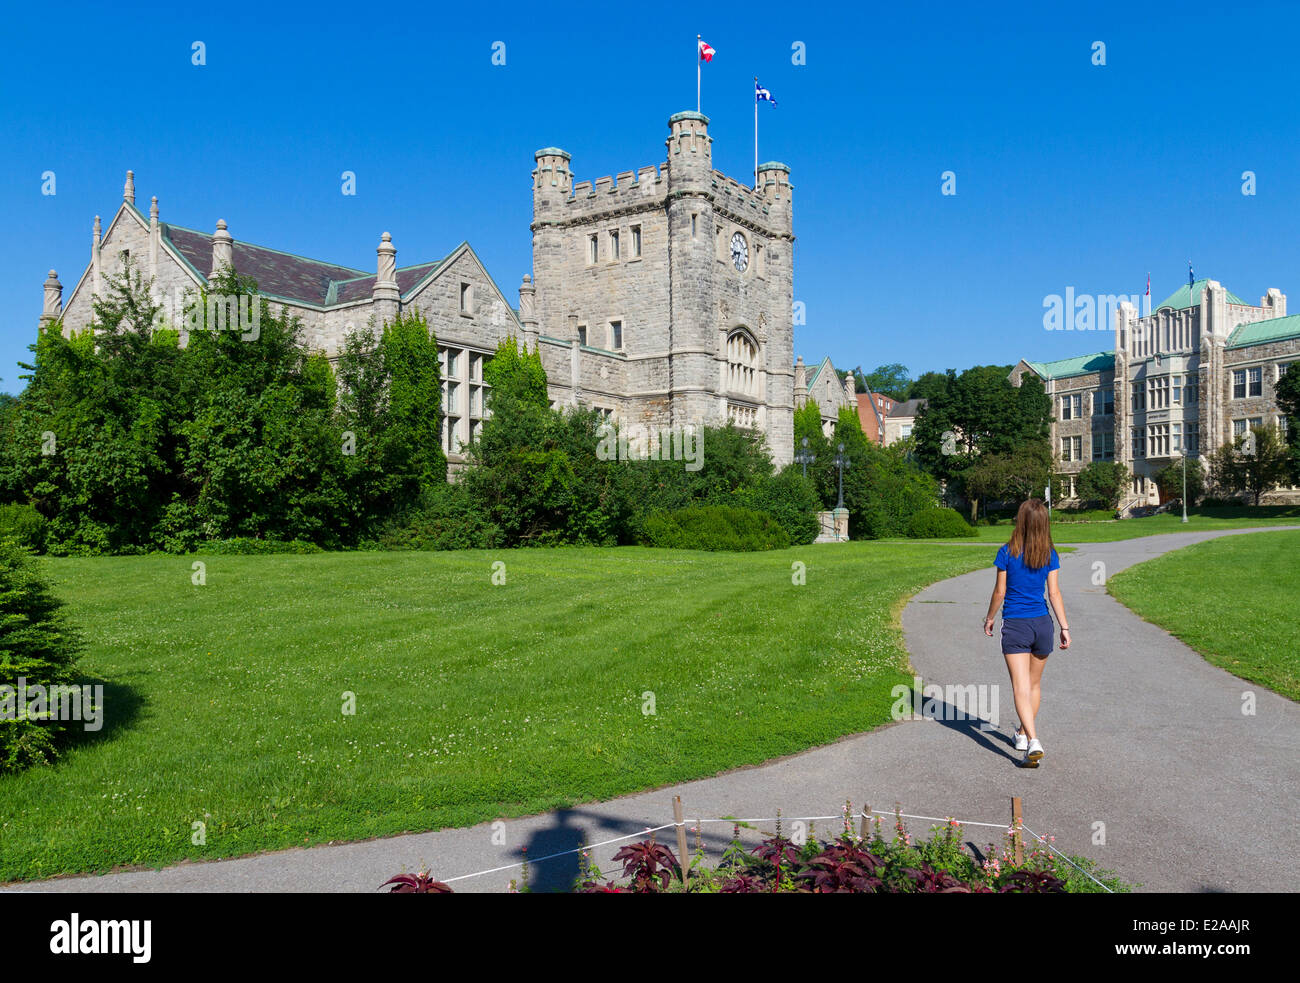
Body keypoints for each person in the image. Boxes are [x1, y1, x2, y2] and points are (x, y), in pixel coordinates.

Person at [982, 498, 1070, 767]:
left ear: (1020, 521)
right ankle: (1021, 733)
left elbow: (1000, 592)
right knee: (1033, 685)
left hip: (1017, 625)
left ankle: (1032, 740)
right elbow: (1053, 593)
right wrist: (1064, 627)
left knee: (1020, 686)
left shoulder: (1007, 552)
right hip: (1043, 624)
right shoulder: (1049, 554)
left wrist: (989, 617)